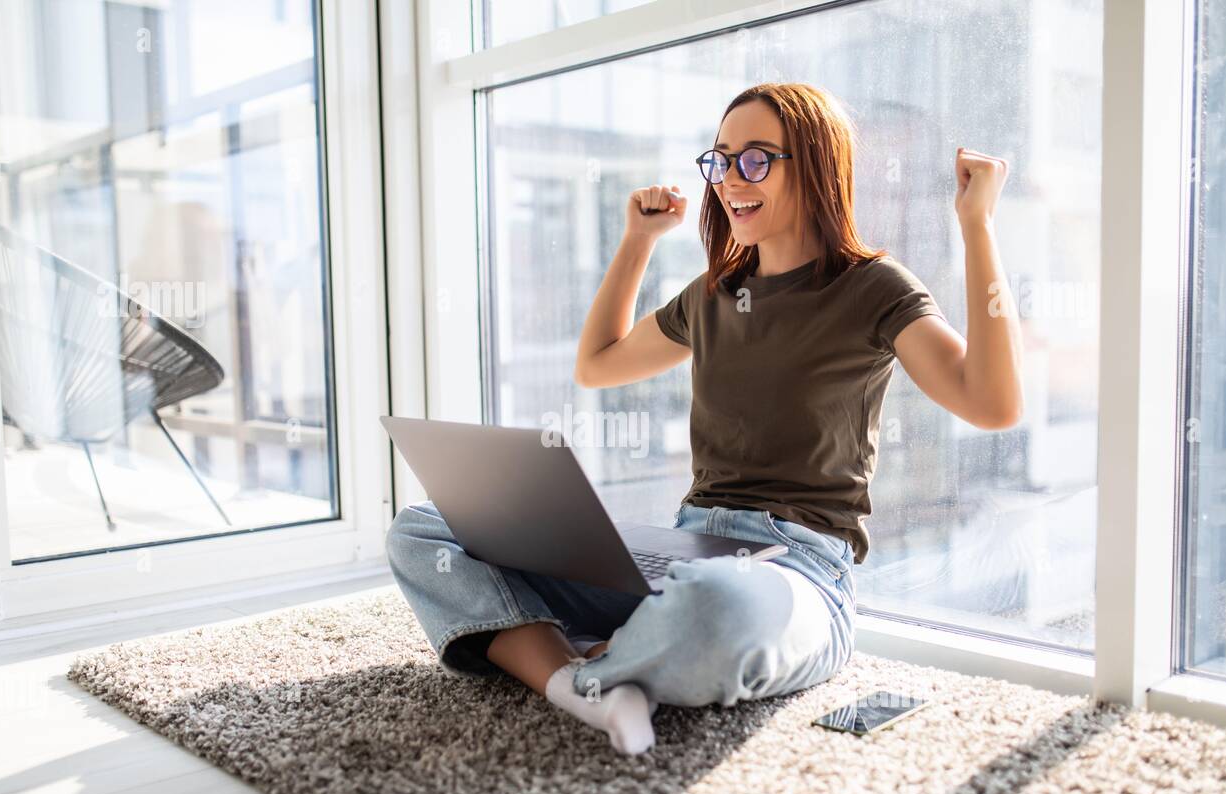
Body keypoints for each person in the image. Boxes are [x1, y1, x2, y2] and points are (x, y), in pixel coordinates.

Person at [387, 81, 1022, 755]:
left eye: (755, 159)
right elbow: (597, 363)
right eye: (721, 160)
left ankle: (597, 652)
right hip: (683, 553)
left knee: (717, 607)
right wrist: (638, 240)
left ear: (814, 164)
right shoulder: (717, 294)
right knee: (423, 530)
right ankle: (581, 682)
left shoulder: (873, 288)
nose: (730, 180)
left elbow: (992, 403)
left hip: (796, 575)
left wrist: (977, 226)